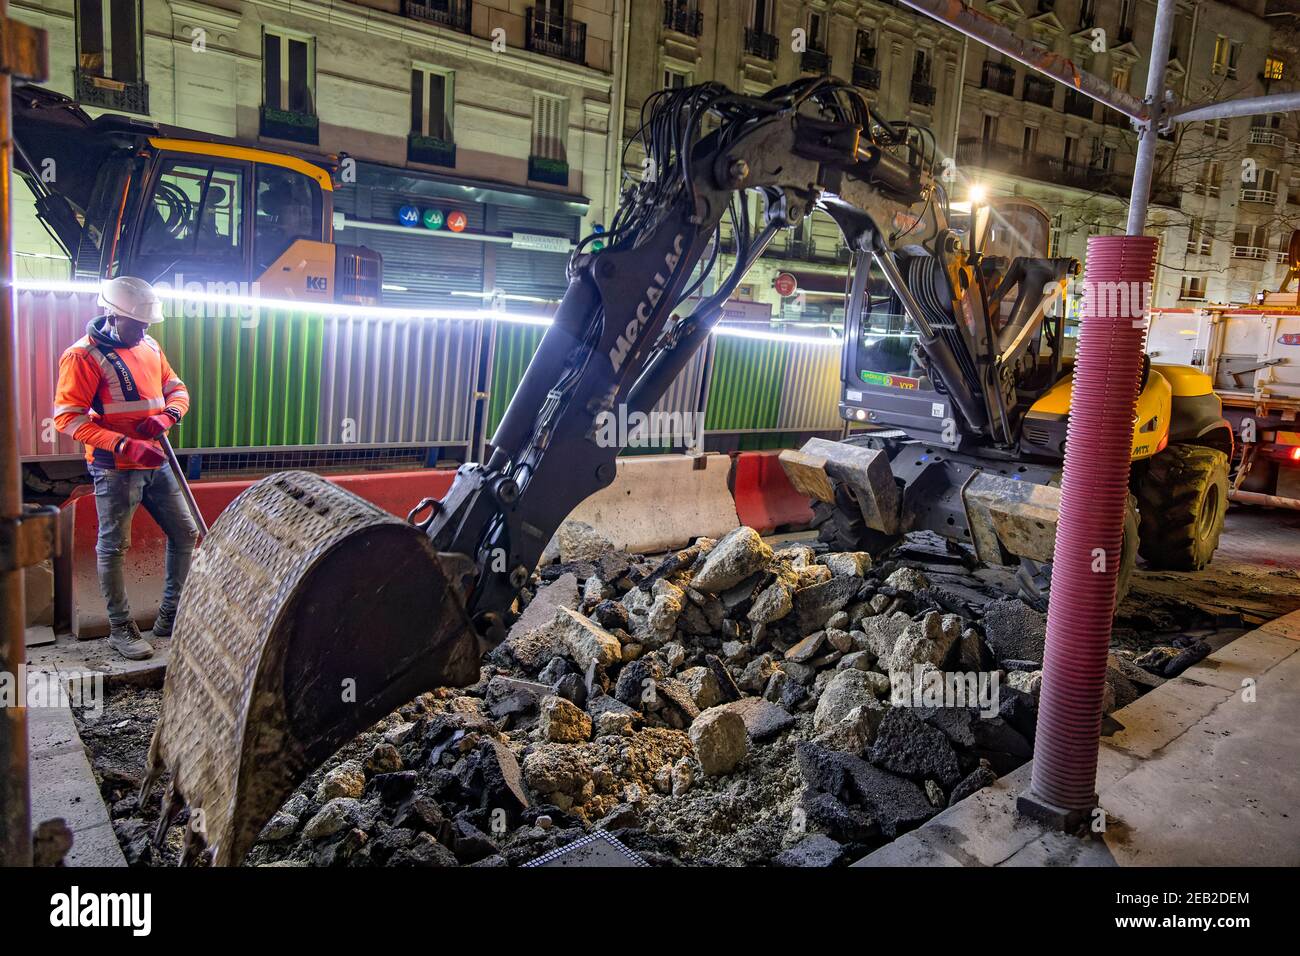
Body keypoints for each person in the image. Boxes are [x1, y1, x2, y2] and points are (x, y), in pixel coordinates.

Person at [53, 276, 198, 660]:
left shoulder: (149, 344)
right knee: (113, 546)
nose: (145, 329)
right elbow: (67, 419)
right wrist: (123, 443)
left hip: (156, 459)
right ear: (114, 315)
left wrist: (169, 415)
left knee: (185, 532)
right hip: (115, 468)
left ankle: (170, 616)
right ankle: (121, 629)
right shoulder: (83, 356)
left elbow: (177, 388)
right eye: (139, 322)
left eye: (148, 323)